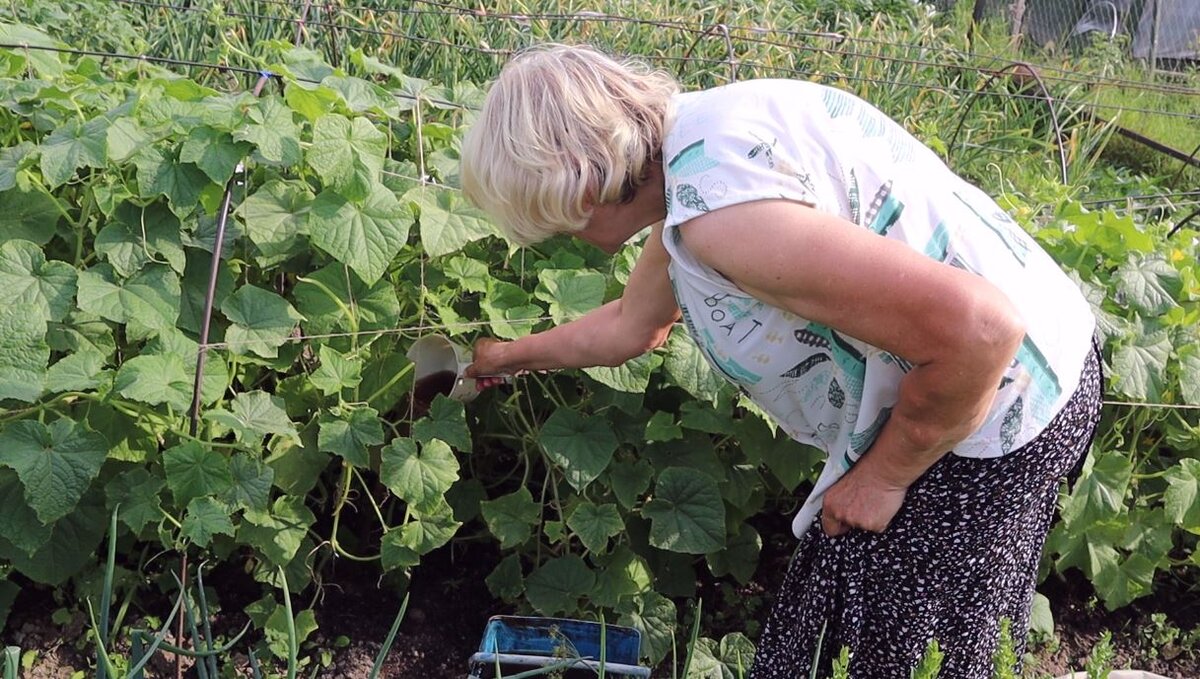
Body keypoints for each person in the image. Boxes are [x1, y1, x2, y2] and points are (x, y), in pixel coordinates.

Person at [459, 43, 1101, 678]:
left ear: (583, 178)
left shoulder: (724, 217)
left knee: (888, 657)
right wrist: (506, 356)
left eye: (554, 219)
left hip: (989, 405)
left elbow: (983, 332)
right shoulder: (698, 152)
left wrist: (884, 477)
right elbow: (635, 325)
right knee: (830, 640)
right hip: (1010, 375)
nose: (558, 237)